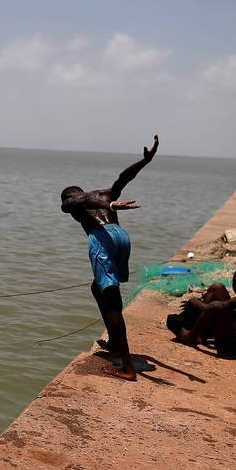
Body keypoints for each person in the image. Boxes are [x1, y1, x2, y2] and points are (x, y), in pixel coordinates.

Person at [60, 134, 159, 381]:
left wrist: (112, 207)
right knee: (98, 287)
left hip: (101, 238)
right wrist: (145, 161)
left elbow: (80, 200)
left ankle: (126, 366)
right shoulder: (104, 192)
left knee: (111, 299)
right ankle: (114, 342)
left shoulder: (71, 202)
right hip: (121, 237)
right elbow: (124, 177)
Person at [167, 266, 236, 357]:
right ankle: (200, 330)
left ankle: (191, 336)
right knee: (217, 287)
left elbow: (213, 307)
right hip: (235, 334)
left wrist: (193, 301)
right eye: (235, 281)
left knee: (215, 306)